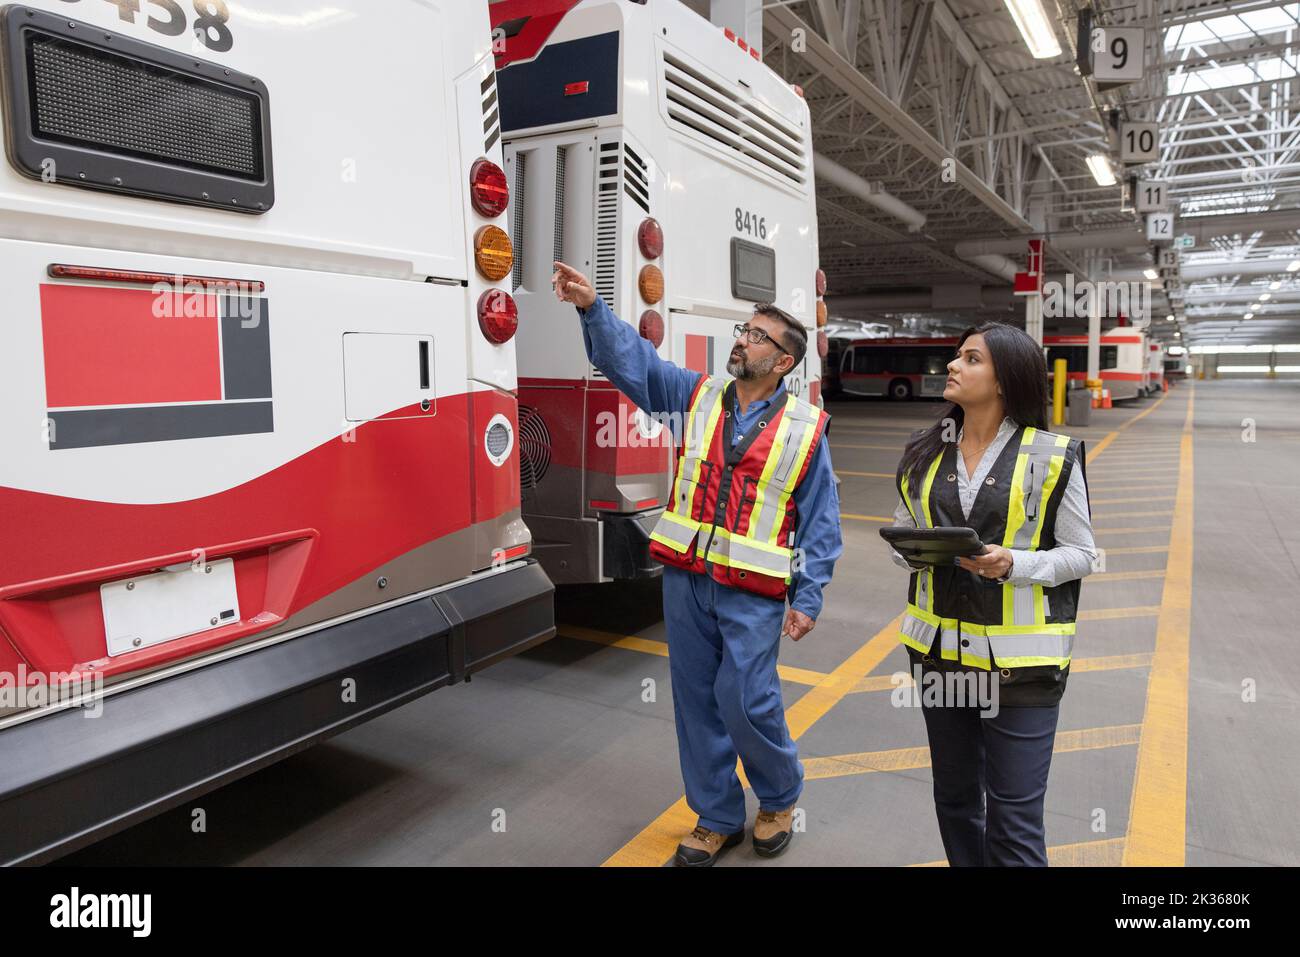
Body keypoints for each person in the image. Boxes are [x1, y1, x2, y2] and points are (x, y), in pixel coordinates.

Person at [551, 260, 843, 867]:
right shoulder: (701, 396)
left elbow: (821, 520)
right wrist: (592, 310)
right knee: (695, 701)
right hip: (687, 581)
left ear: (784, 361)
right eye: (744, 329)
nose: (742, 339)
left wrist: (809, 595)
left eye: (757, 335)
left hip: (754, 591)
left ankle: (780, 795)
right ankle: (715, 816)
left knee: (746, 698)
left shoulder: (805, 429)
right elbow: (635, 365)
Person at [885, 322, 1097, 866]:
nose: (953, 366)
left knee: (1014, 821)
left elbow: (1082, 555)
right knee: (955, 803)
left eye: (971, 359)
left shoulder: (1053, 455)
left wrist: (1013, 564)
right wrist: (914, 550)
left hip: (1022, 668)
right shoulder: (924, 452)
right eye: (957, 357)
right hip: (939, 658)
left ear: (1005, 380)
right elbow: (900, 535)